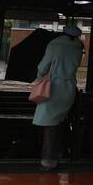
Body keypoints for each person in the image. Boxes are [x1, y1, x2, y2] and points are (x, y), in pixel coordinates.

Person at [33, 23, 84, 171]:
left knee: (49, 124)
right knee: (59, 121)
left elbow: (43, 66)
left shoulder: (55, 45)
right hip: (69, 89)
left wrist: (40, 78)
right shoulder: (78, 49)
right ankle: (59, 153)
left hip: (53, 87)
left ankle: (48, 160)